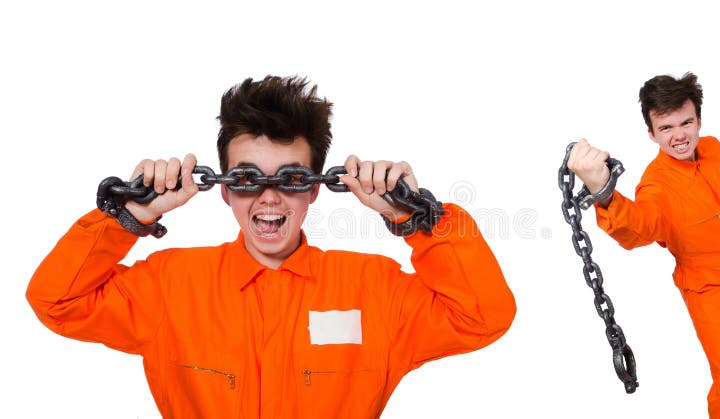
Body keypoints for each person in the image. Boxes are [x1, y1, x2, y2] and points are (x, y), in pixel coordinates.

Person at [26, 75, 516, 418]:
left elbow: (483, 317)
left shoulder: (376, 291)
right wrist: (129, 215)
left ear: (315, 188)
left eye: (291, 179)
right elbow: (56, 301)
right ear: (223, 189)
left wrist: (417, 217)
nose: (268, 198)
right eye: (246, 179)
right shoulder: (169, 286)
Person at [567, 72, 720, 419]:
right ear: (651, 133)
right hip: (710, 290)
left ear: (699, 120)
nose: (679, 135)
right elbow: (639, 227)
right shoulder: (657, 186)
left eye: (686, 122)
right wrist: (603, 192)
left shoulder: (713, 148)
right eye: (665, 128)